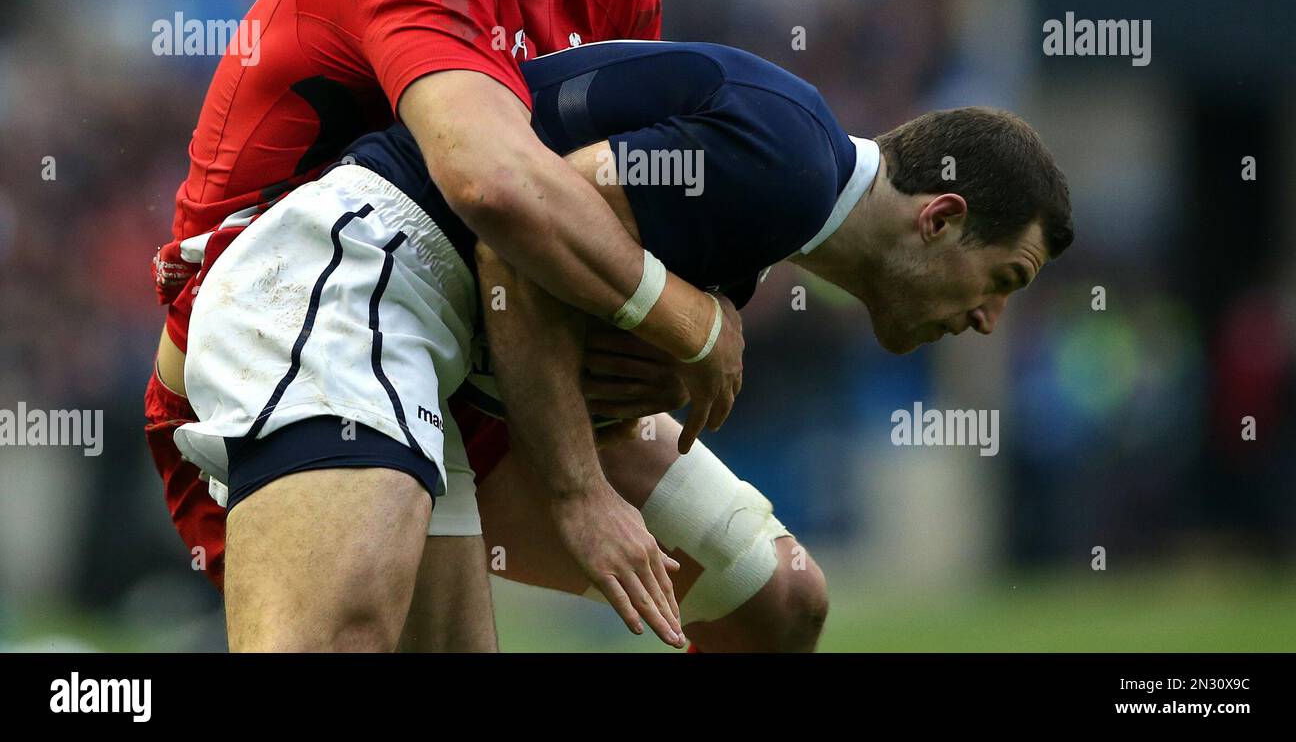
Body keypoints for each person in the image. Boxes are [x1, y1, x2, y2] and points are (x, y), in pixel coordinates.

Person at [172, 40, 1074, 651]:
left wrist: (662, 343)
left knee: (781, 600)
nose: (990, 318)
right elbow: (522, 226)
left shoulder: (778, 205)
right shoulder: (788, 164)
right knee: (336, 639)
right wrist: (582, 494)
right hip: (353, 274)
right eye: (1005, 278)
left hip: (439, 353)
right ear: (940, 218)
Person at [144, 0, 738, 613]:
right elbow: (492, 184)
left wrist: (679, 325)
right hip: (277, 326)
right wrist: (689, 323)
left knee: (775, 594)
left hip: (456, 339)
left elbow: (612, 212)